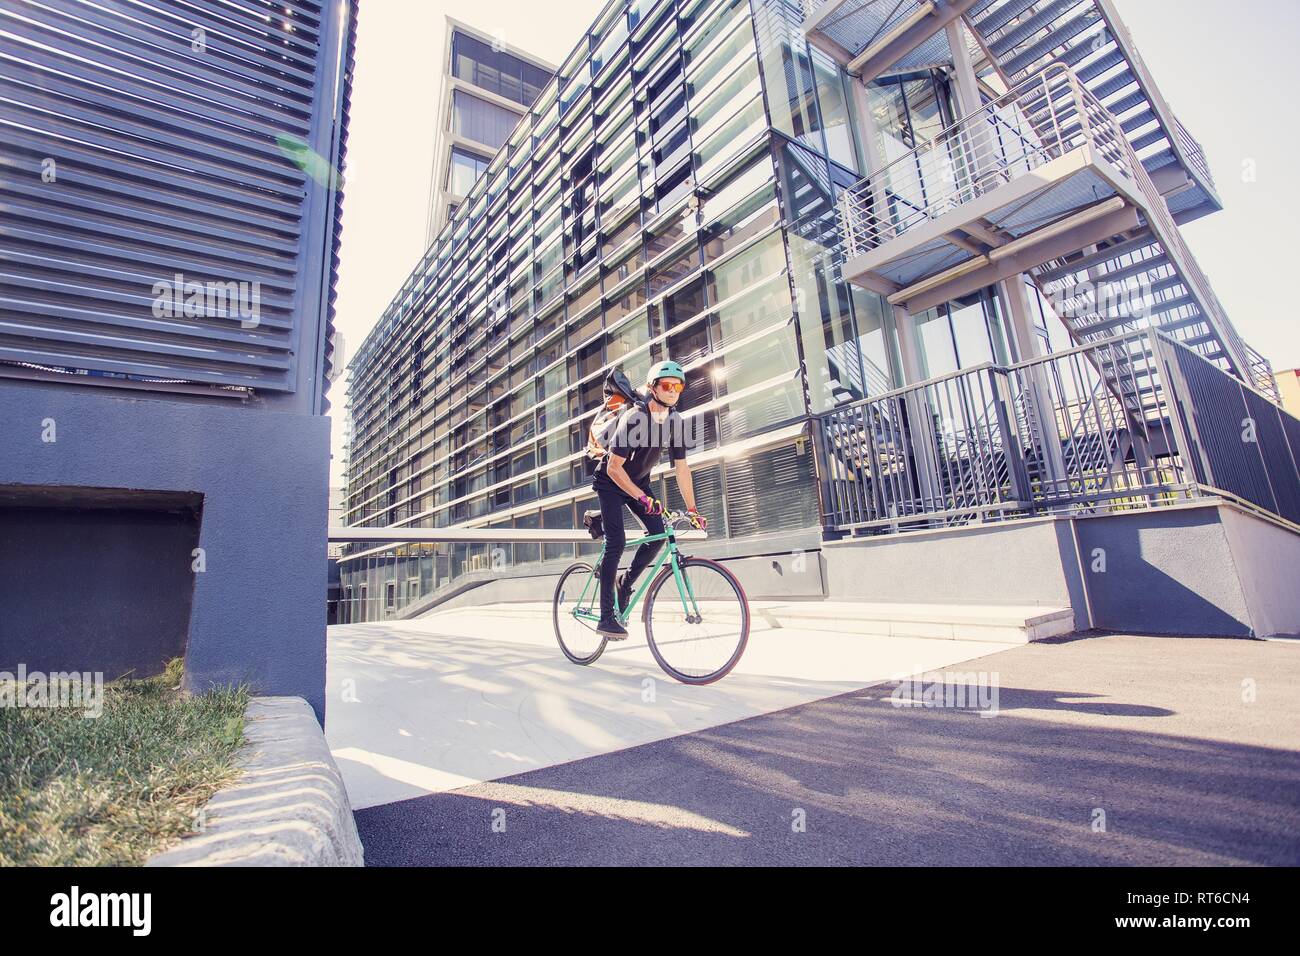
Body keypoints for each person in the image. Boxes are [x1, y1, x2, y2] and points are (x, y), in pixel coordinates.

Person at [591, 359, 707, 638]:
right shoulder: (634, 417)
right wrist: (643, 499)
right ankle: (606, 618)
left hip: (638, 482)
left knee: (657, 535)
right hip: (610, 482)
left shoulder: (675, 422)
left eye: (678, 386)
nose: (673, 390)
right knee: (615, 544)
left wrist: (692, 509)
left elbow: (681, 469)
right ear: (653, 387)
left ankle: (626, 582)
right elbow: (613, 468)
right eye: (667, 385)